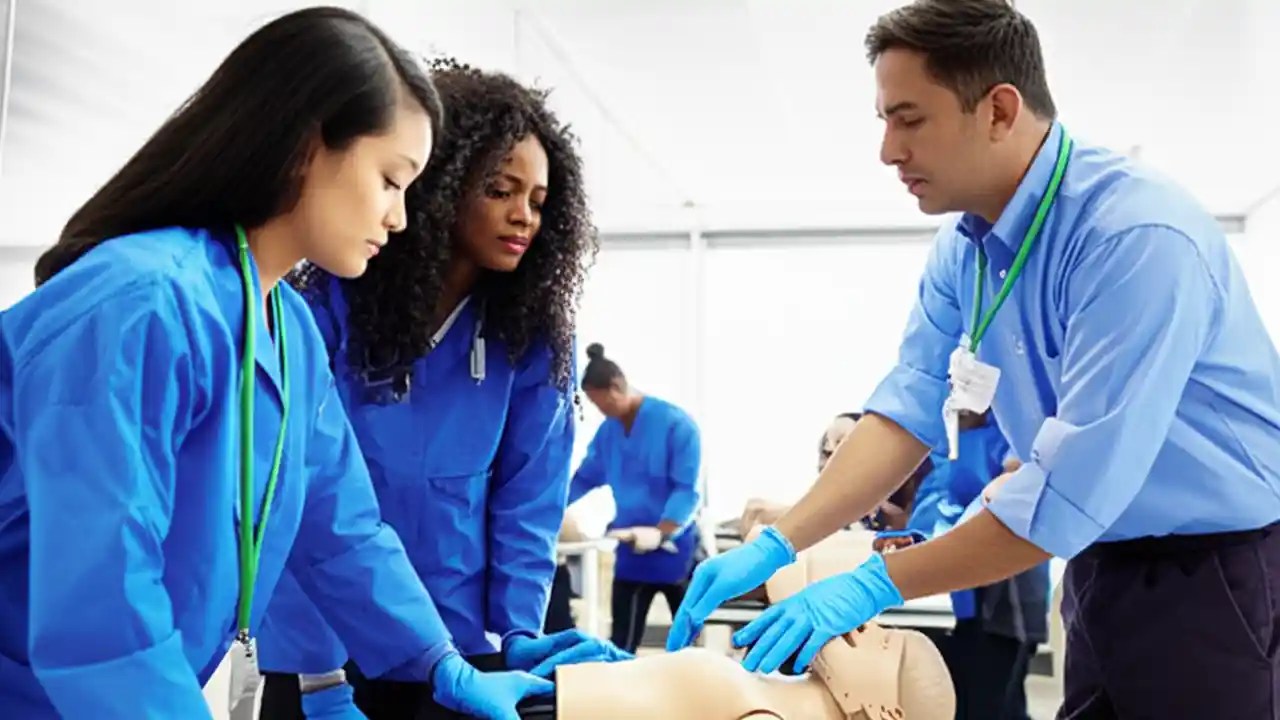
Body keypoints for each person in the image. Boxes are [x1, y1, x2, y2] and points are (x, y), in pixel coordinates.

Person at [667, 1, 1280, 717]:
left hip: (1214, 572)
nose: (889, 151)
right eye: (884, 122)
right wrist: (780, 541)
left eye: (910, 119)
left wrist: (876, 582)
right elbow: (907, 405)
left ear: (997, 109)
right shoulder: (966, 247)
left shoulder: (1133, 236)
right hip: (1097, 565)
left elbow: (1068, 490)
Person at [0, 8, 553, 720]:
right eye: (391, 180)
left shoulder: (287, 331)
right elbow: (102, 603)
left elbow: (342, 529)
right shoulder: (138, 305)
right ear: (305, 149)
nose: (402, 218)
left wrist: (440, 662)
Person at [255, 60, 616, 719]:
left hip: (457, 651)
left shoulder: (529, 341)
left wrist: (518, 634)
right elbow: (296, 503)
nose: (524, 216)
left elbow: (527, 506)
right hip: (325, 653)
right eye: (501, 190)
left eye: (538, 201)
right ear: (439, 186)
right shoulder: (324, 305)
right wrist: (317, 676)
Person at [536, 529, 957, 720]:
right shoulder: (777, 689)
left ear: (888, 714)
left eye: (884, 643)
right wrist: (630, 674)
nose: (866, 627)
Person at [893, 411, 1046, 720]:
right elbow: (929, 502)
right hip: (941, 589)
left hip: (1001, 593)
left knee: (993, 701)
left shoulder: (1013, 433)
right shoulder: (938, 439)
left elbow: (1012, 502)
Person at [566, 344, 703, 653]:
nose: (602, 412)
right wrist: (548, 510)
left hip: (673, 549)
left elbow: (687, 488)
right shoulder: (608, 432)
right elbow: (586, 477)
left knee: (687, 647)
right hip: (630, 551)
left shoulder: (676, 425)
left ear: (617, 386)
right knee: (622, 644)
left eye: (603, 403)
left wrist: (661, 530)